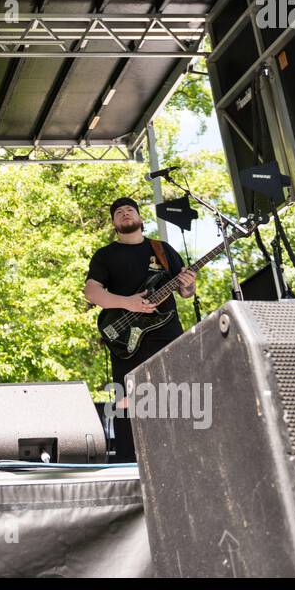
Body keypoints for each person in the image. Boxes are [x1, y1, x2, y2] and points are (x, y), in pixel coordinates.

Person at [84, 196, 196, 463]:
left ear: (140, 219)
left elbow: (186, 292)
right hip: (126, 340)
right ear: (113, 223)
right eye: (119, 212)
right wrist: (128, 303)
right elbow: (91, 292)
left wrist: (190, 284)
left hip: (167, 336)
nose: (124, 213)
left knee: (174, 400)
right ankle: (128, 463)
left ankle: (180, 459)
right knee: (128, 406)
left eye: (130, 210)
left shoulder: (162, 249)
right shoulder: (105, 255)